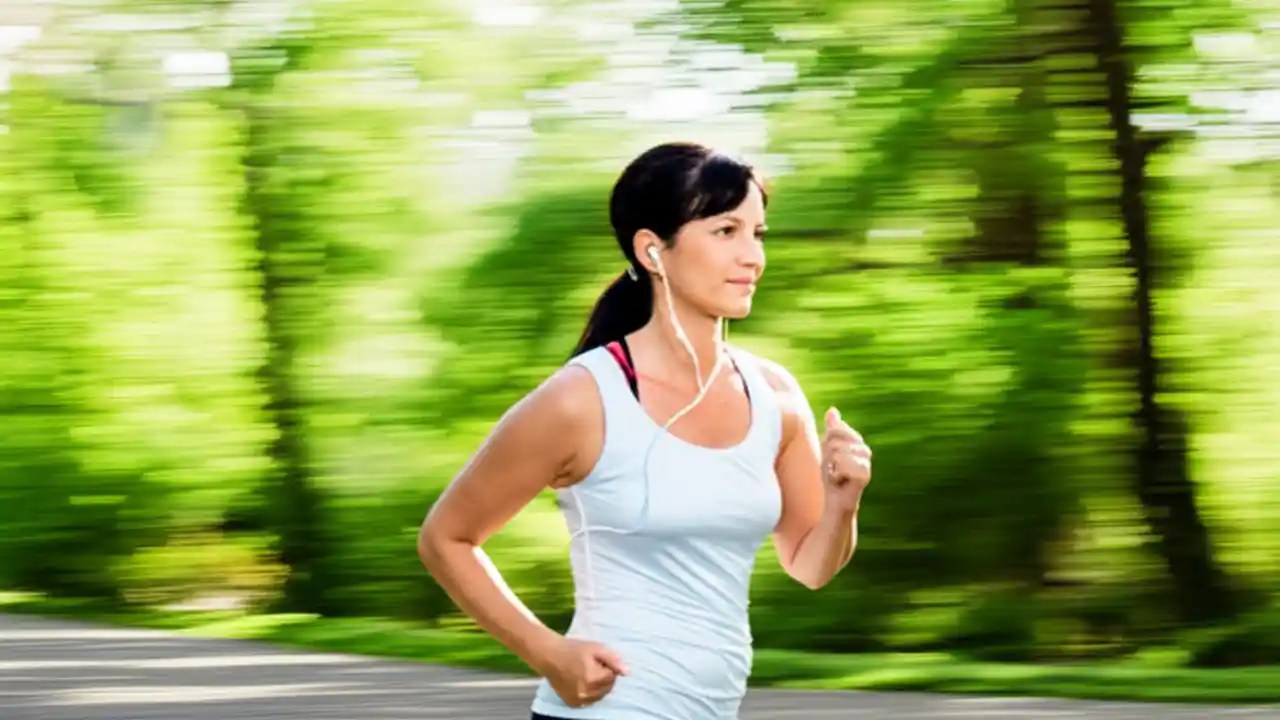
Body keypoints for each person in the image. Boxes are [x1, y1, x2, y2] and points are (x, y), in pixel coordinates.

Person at [417, 141, 872, 719]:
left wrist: (843, 503)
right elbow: (446, 538)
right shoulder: (584, 399)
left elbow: (810, 566)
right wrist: (547, 652)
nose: (753, 256)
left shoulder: (775, 396)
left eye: (758, 233)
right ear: (653, 250)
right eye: (726, 231)